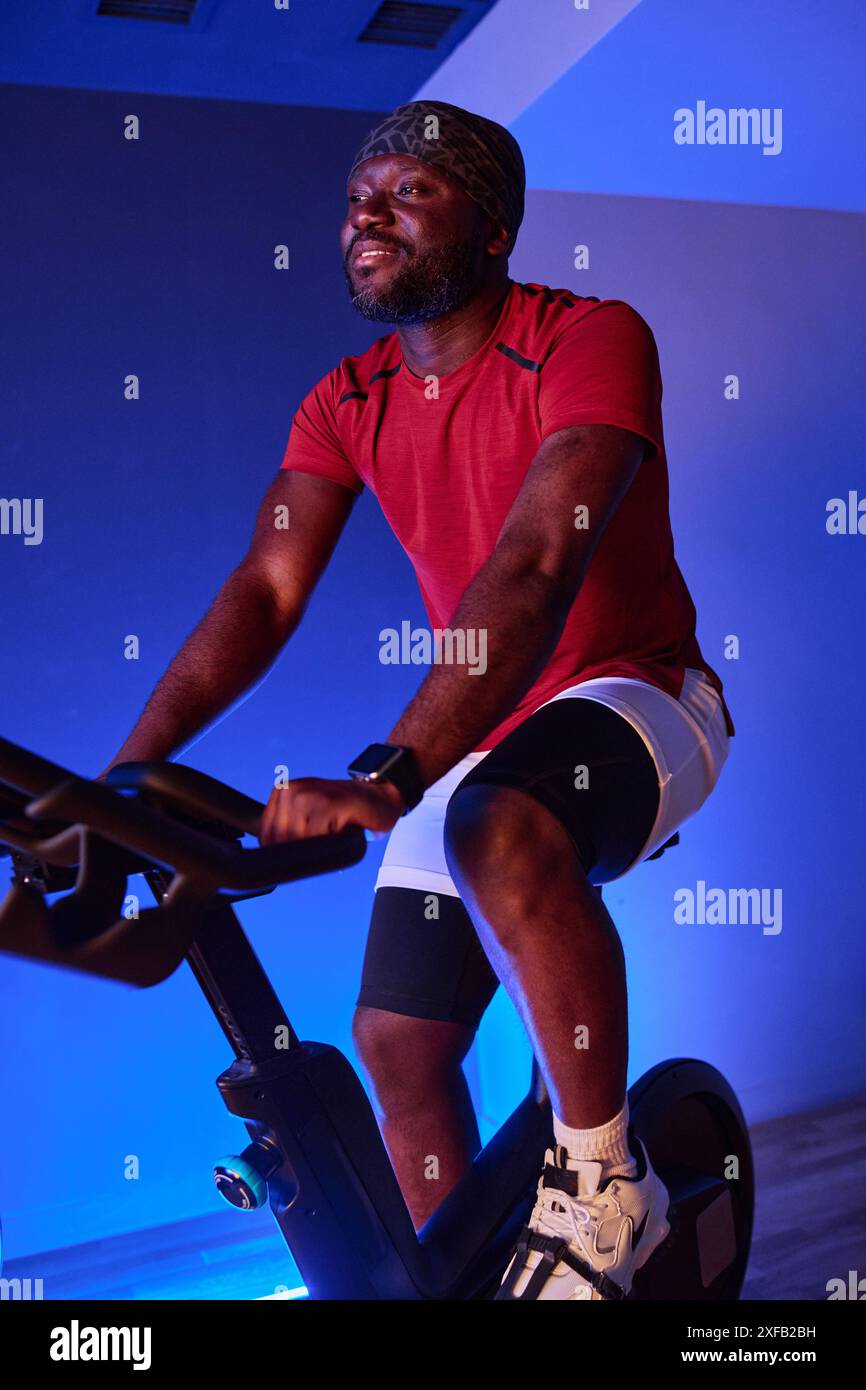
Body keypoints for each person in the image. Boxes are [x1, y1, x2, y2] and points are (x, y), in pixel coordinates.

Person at [105, 100, 735, 1301]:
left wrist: (395, 769)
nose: (367, 213)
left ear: (491, 228)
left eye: (409, 190)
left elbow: (540, 560)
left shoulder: (585, 337)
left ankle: (605, 1185)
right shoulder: (346, 402)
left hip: (639, 693)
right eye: (357, 197)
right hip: (485, 730)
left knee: (492, 822)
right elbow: (265, 590)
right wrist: (122, 775)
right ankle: (475, 1275)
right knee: (399, 1044)